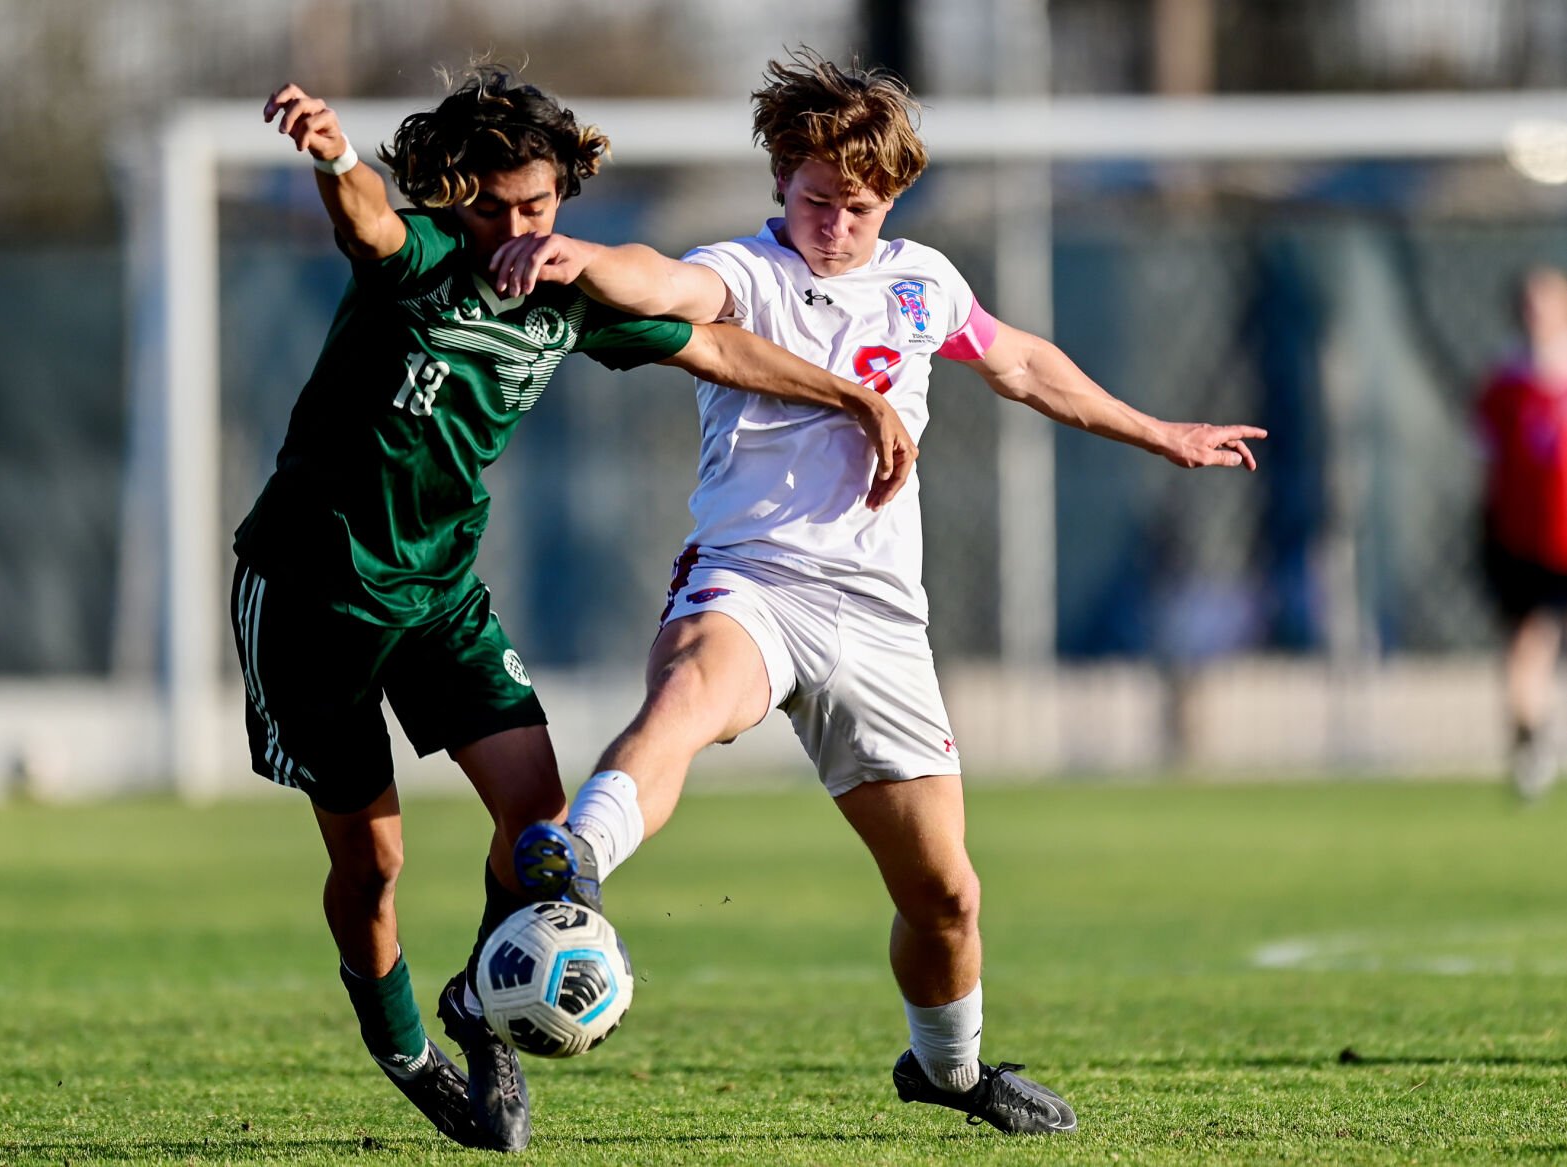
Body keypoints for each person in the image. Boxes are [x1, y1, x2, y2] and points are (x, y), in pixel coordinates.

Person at [489, 49, 1265, 1137]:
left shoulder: (924, 283)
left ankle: (948, 1072)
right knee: (687, 703)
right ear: (779, 184)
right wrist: (572, 255)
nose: (833, 225)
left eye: (856, 207)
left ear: (891, 198)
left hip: (883, 622)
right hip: (751, 580)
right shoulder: (748, 270)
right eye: (813, 200)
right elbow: (659, 280)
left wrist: (1161, 433)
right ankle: (574, 856)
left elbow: (1023, 364)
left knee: (946, 898)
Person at [236, 69, 919, 1153]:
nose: (515, 227)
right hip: (314, 594)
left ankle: (488, 1011)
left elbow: (717, 348)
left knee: (540, 821)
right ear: (453, 197)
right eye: (495, 207)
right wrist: (331, 156)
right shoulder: (418, 259)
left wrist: (856, 396)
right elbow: (365, 221)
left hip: (440, 594)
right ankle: (404, 1047)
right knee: (373, 867)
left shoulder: (565, 293)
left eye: (538, 206)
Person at [1475, 264, 1567, 803]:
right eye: (1530, 304)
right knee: (1526, 646)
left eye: (1548, 303)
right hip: (1523, 537)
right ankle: (1531, 742)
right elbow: (1486, 458)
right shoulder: (1505, 382)